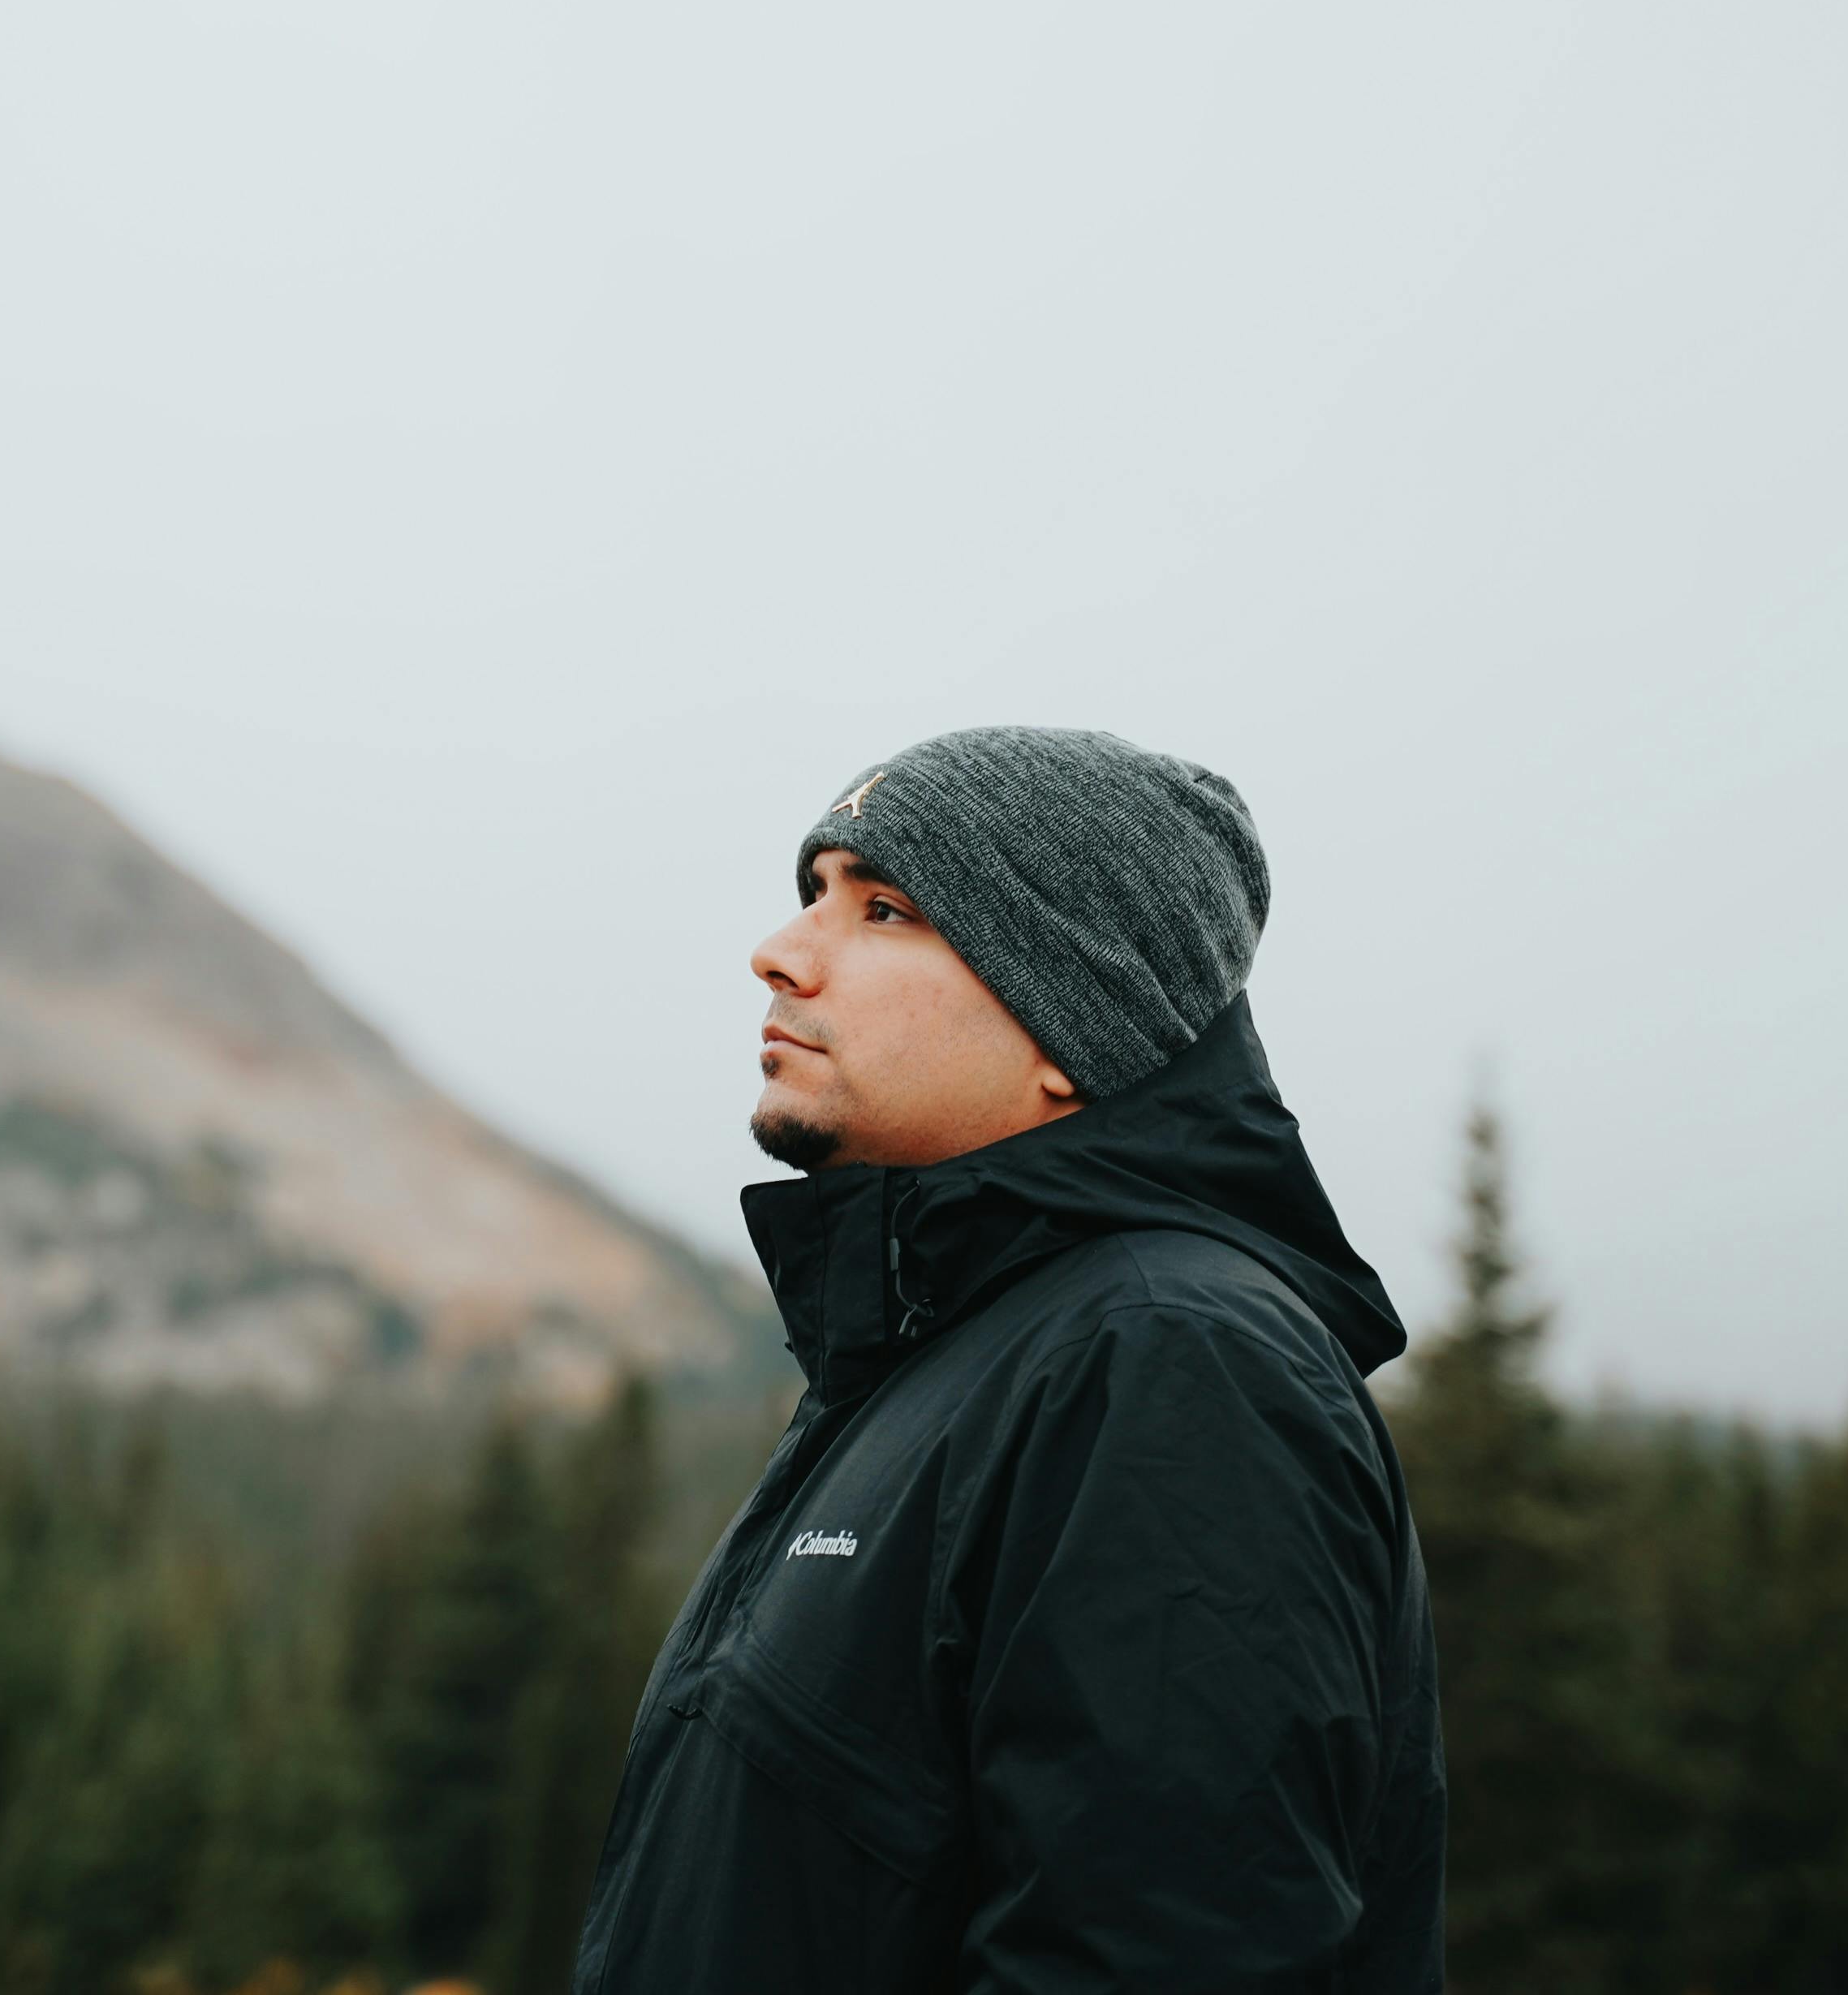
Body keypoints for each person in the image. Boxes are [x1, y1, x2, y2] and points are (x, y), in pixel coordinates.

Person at [573, 726, 1444, 1995]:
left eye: (885, 910)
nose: (781, 952)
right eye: (813, 893)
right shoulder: (950, 1356)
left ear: (1071, 1026)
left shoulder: (1167, 1366)